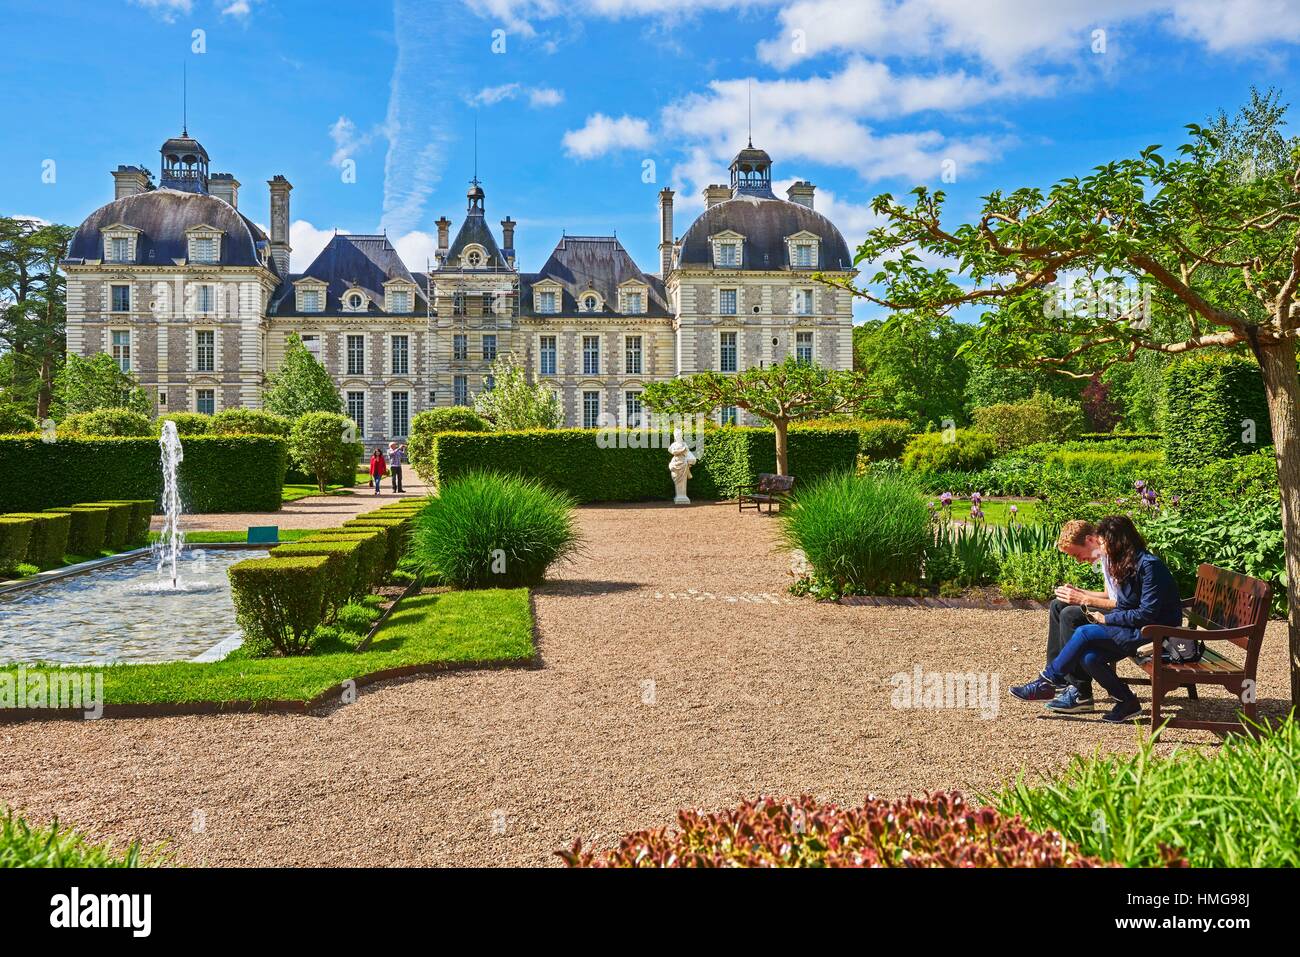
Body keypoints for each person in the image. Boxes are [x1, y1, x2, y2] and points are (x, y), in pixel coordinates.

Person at [1011, 515, 1183, 723]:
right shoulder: (1125, 564)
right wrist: (1099, 610)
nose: (1101, 545)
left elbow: (1147, 614)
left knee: (1084, 632)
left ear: (1119, 541)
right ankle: (1127, 701)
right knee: (1089, 657)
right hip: (1135, 625)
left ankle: (1048, 681)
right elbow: (1124, 603)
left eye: (1103, 541)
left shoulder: (1149, 566)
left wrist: (1106, 619)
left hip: (1155, 630)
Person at [1010, 520, 1117, 712]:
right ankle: (1055, 682)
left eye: (1077, 554)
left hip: (1123, 616)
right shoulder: (1104, 556)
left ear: (1090, 539)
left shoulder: (1115, 557)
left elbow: (1123, 603)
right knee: (1059, 605)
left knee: (1071, 614)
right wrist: (1078, 592)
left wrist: (1083, 599)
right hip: (1116, 608)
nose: (1078, 560)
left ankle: (1081, 692)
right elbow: (1109, 594)